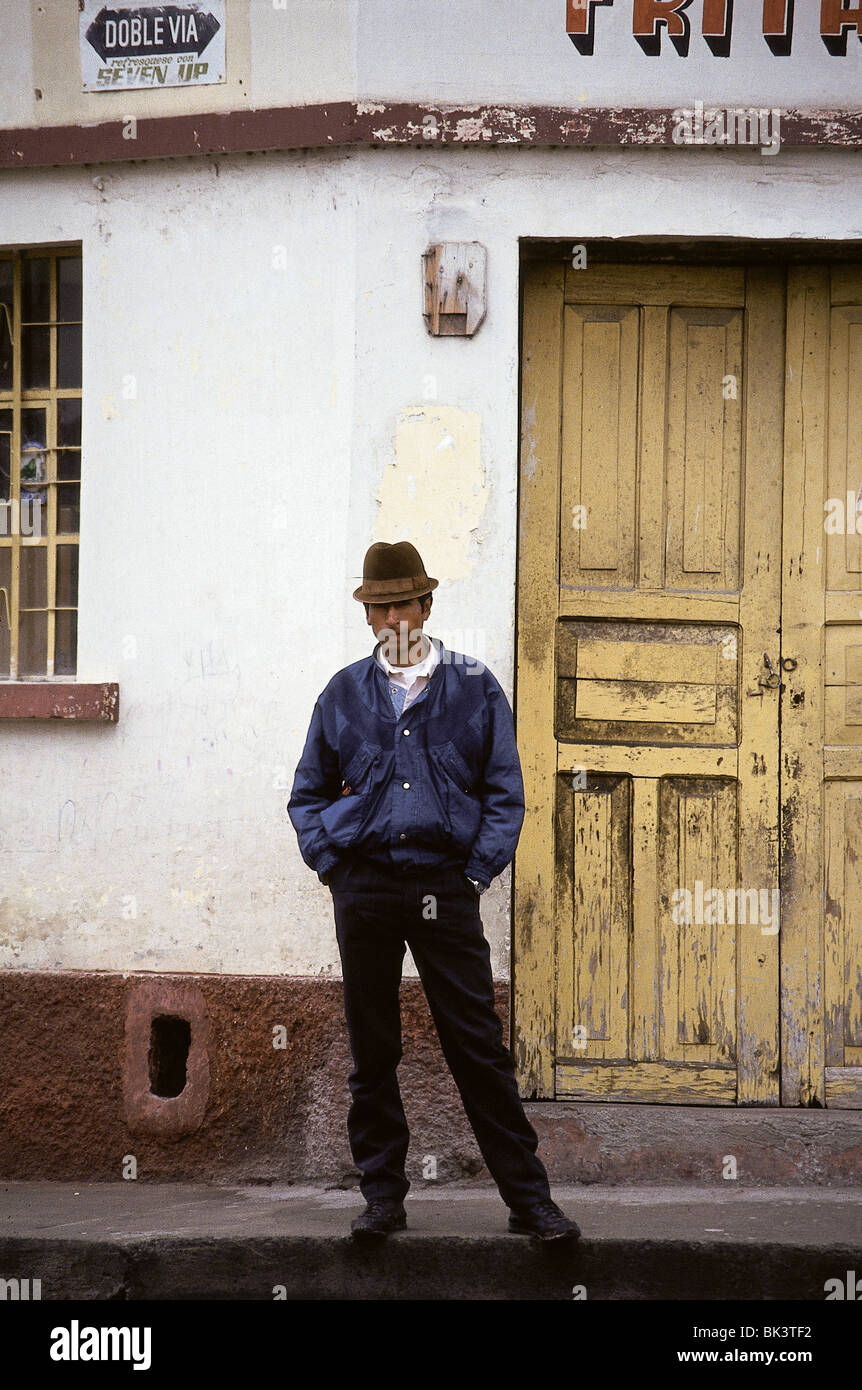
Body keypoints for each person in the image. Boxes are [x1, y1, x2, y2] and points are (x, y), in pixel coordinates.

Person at [287, 540, 580, 1242]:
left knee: (477, 1046)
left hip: (444, 890)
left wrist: (476, 872)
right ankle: (382, 1199)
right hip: (366, 888)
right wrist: (333, 864)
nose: (392, 617)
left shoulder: (474, 688)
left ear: (426, 605)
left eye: (403, 603)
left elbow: (506, 794)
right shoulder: (341, 694)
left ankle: (530, 1204)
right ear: (368, 616)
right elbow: (306, 794)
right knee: (374, 1047)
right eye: (378, 606)